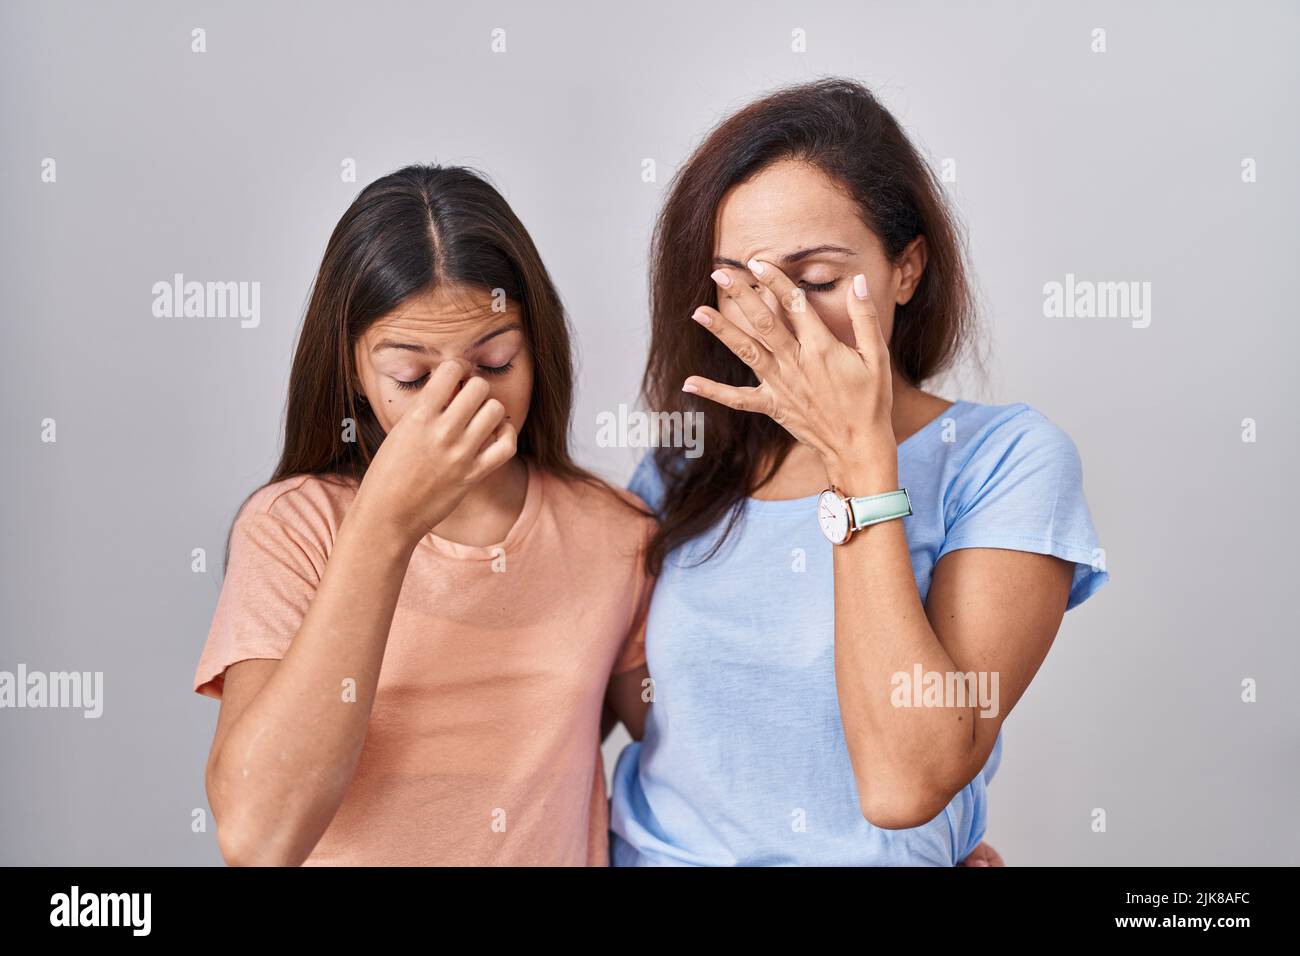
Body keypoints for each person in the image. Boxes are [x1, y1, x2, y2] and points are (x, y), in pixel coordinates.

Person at [606, 79, 1110, 866]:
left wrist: (858, 459)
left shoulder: (1007, 461)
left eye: (814, 281)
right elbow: (664, 725)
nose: (778, 316)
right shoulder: (683, 468)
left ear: (906, 269)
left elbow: (904, 786)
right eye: (741, 282)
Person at [193, 164, 654, 866]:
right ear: (353, 370)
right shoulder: (293, 528)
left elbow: (701, 765)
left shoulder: (613, 533)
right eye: (411, 377)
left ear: (538, 348)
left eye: (496, 361)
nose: (459, 404)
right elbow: (258, 837)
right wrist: (384, 527)